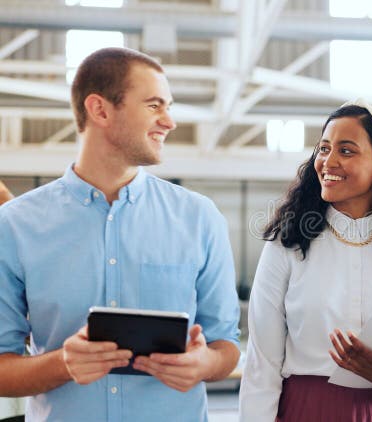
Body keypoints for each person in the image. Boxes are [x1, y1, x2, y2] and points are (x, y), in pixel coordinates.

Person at [0, 47, 241, 422]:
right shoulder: (14, 225)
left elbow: (226, 347)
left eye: (169, 106)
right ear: (100, 110)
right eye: (154, 105)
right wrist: (65, 362)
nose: (169, 121)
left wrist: (204, 362)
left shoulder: (199, 218)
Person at [239, 99, 372, 421]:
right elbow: (262, 364)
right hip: (308, 411)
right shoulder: (287, 247)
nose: (328, 161)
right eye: (324, 148)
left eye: (346, 150)